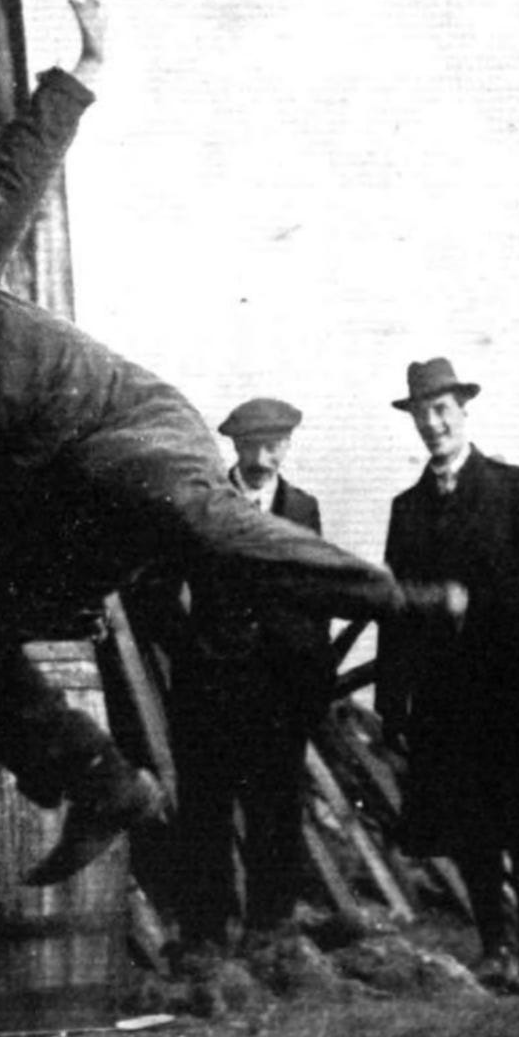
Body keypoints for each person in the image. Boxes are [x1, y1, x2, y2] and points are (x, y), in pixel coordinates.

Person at [0, 0, 462, 888]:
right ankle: (104, 785)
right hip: (53, 483)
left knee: (181, 516)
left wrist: (84, 72)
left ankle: (387, 596)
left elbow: (0, 193)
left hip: (128, 427)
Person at [376, 358, 519, 995]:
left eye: (444, 410)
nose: (434, 423)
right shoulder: (407, 509)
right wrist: (393, 701)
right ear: (413, 421)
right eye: (423, 413)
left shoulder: (513, 486)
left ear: (464, 412)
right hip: (446, 692)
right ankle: (494, 948)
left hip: (517, 684)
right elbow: (396, 609)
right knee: (467, 824)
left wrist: (478, 602)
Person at [164, 398, 336, 947]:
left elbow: (317, 595)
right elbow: (156, 590)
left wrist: (309, 672)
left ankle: (270, 936)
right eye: (252, 446)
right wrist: (192, 648)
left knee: (277, 810)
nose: (262, 458)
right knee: (207, 812)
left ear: (288, 445)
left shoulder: (303, 508)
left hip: (281, 693)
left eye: (274, 445)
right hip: (211, 690)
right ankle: (205, 941)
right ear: (233, 447)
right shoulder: (205, 505)